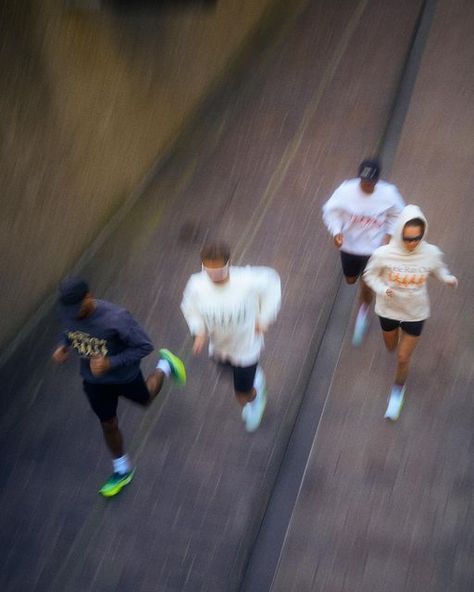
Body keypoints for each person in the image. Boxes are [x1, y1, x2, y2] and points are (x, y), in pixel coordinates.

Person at [52, 276, 186, 497]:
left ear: (88, 297)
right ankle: (122, 470)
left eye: (77, 308)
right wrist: (62, 346)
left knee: (146, 399)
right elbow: (67, 330)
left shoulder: (116, 318)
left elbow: (144, 346)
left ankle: (165, 365)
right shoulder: (68, 311)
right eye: (69, 310)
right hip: (93, 382)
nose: (73, 314)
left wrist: (110, 363)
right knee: (108, 424)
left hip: (125, 377)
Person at [363, 204, 458, 420]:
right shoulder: (384, 254)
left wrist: (447, 278)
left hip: (416, 313)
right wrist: (382, 289)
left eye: (417, 238)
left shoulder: (430, 252)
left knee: (403, 357)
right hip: (388, 311)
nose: (412, 243)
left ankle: (397, 393)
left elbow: (437, 269)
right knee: (390, 346)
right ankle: (392, 344)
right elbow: (370, 275)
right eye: (407, 238)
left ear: (423, 233)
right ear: (399, 234)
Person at [180, 241, 281, 432]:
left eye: (218, 271)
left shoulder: (247, 280)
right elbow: (189, 308)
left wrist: (264, 318)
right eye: (208, 271)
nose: (213, 277)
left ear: (229, 264)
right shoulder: (196, 284)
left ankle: (257, 396)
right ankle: (254, 379)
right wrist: (199, 330)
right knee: (227, 373)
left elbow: (273, 282)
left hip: (246, 348)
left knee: (241, 396)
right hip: (220, 347)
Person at [322, 158, 405, 345]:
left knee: (366, 284)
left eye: (370, 183)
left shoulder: (389, 194)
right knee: (350, 280)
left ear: (377, 181)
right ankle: (364, 286)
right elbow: (330, 211)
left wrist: (389, 235)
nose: (366, 186)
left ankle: (362, 314)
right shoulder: (345, 191)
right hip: (350, 246)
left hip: (374, 249)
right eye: (363, 181)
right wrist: (336, 231)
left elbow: (399, 214)